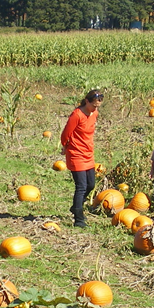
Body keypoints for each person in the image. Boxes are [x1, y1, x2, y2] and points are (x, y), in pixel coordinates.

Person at [60, 89, 102, 228]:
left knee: (91, 184)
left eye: (97, 106)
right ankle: (78, 218)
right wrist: (65, 146)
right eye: (93, 105)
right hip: (76, 154)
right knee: (82, 186)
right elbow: (66, 133)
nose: (95, 109)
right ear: (87, 101)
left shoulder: (94, 113)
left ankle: (76, 206)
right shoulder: (77, 115)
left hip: (88, 153)